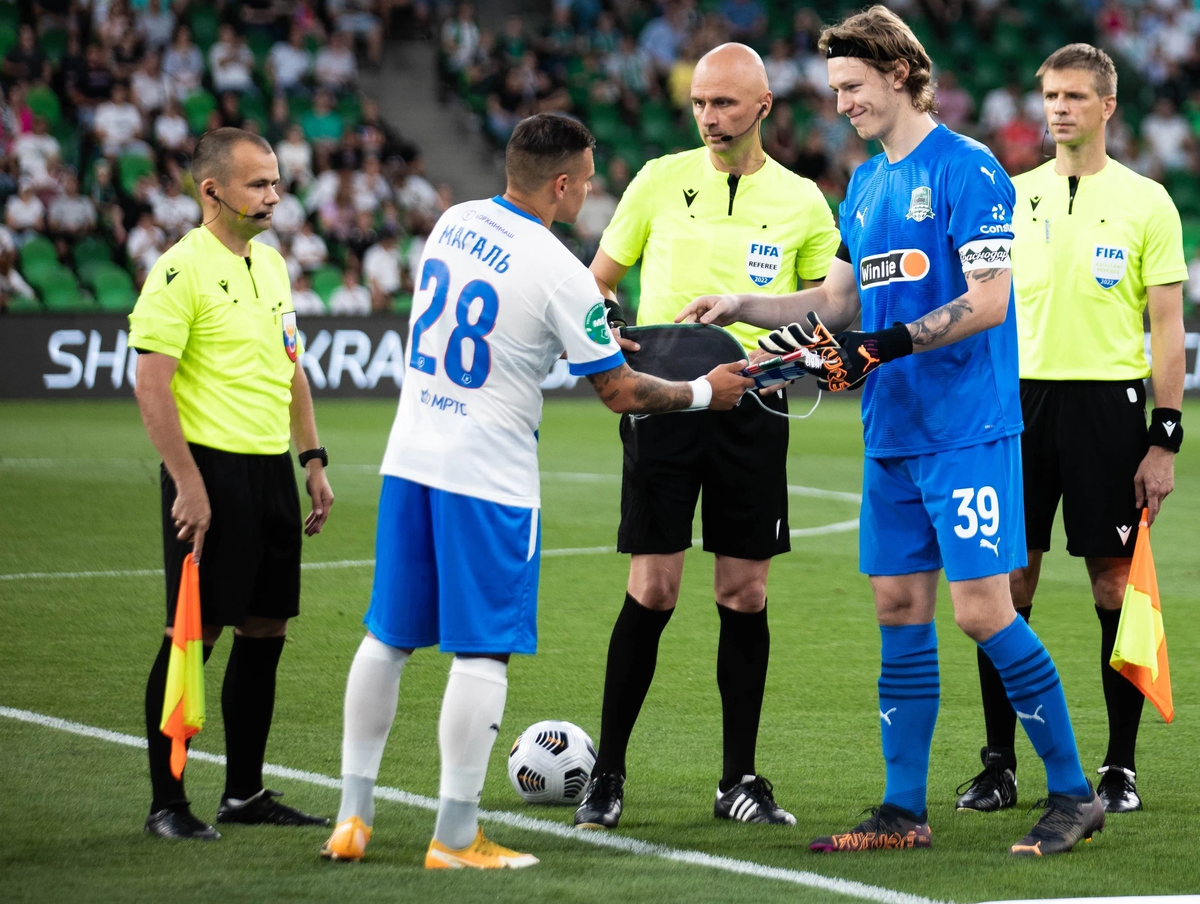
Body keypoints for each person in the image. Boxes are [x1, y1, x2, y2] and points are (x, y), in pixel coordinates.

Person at [679, 6, 1105, 856]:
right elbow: (836, 302)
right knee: (898, 606)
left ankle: (1073, 791)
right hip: (893, 433)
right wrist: (747, 305)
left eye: (853, 87)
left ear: (903, 74)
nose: (841, 104)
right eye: (835, 89)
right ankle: (903, 809)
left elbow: (989, 300)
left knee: (982, 612)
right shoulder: (867, 184)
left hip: (967, 429)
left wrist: (886, 342)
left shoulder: (968, 169)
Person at [319, 112, 753, 867]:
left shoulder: (453, 222)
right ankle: (455, 835)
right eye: (585, 180)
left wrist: (583, 332)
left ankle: (352, 818)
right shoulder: (559, 267)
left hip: (411, 456)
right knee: (482, 653)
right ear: (560, 183)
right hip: (487, 476)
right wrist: (701, 392)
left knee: (387, 638)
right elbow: (617, 391)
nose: (590, 192)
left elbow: (505, 326)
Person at [572, 42, 839, 832]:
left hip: (755, 410)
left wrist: (788, 333)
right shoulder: (658, 180)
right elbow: (596, 283)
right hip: (663, 404)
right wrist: (603, 336)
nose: (709, 117)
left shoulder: (802, 200)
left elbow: (829, 299)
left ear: (762, 105)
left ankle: (739, 780)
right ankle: (607, 774)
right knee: (652, 589)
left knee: (744, 593)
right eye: (699, 104)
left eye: (724, 104)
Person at [956, 44, 1187, 816]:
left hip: (1109, 412)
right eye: (1050, 94)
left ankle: (1117, 767)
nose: (1058, 107)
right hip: (1015, 408)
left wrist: (1166, 437)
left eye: (1075, 96)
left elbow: (1164, 327)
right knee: (1005, 586)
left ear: (1107, 106)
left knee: (1114, 586)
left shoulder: (1148, 200)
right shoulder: (1010, 195)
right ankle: (999, 763)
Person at [129, 127, 335, 841]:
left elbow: (291, 369)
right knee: (194, 635)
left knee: (266, 627)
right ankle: (167, 803)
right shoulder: (178, 270)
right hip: (209, 470)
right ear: (211, 189)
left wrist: (312, 460)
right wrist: (187, 483)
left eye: (276, 182)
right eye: (259, 184)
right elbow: (150, 385)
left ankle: (244, 793)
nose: (274, 195)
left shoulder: (270, 265)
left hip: (269, 471)